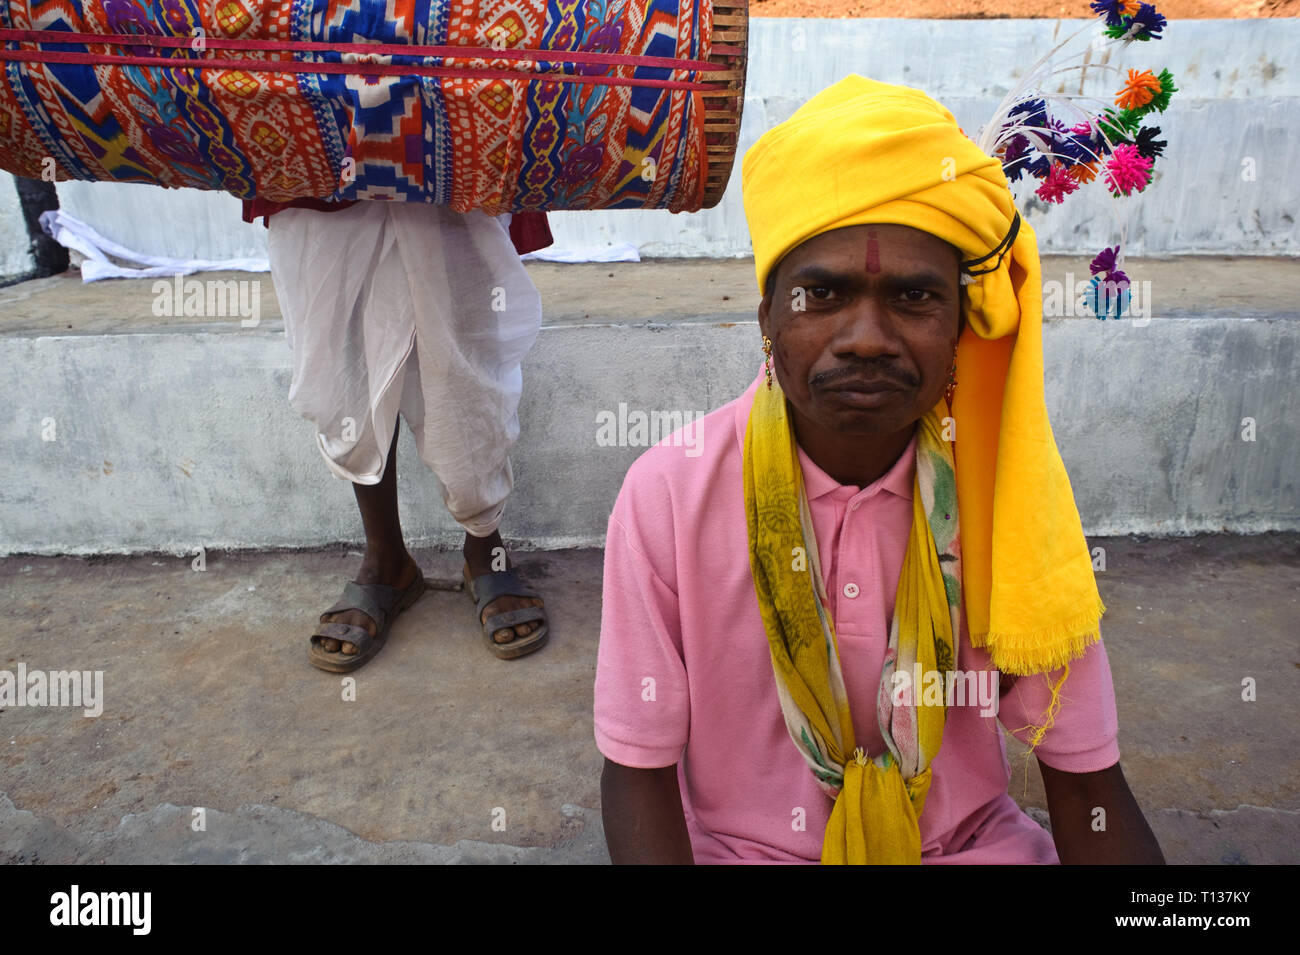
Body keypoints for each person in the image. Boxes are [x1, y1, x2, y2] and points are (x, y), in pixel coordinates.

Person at [593, 75, 1165, 864]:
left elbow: (1089, 784)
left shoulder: (1007, 495)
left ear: (960, 322)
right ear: (767, 316)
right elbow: (636, 770)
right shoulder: (667, 495)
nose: (866, 336)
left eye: (913, 296)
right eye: (821, 294)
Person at [246, 195, 554, 670]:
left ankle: (483, 547)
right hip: (325, 156)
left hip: (445, 145)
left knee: (463, 333)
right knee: (347, 347)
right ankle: (386, 559)